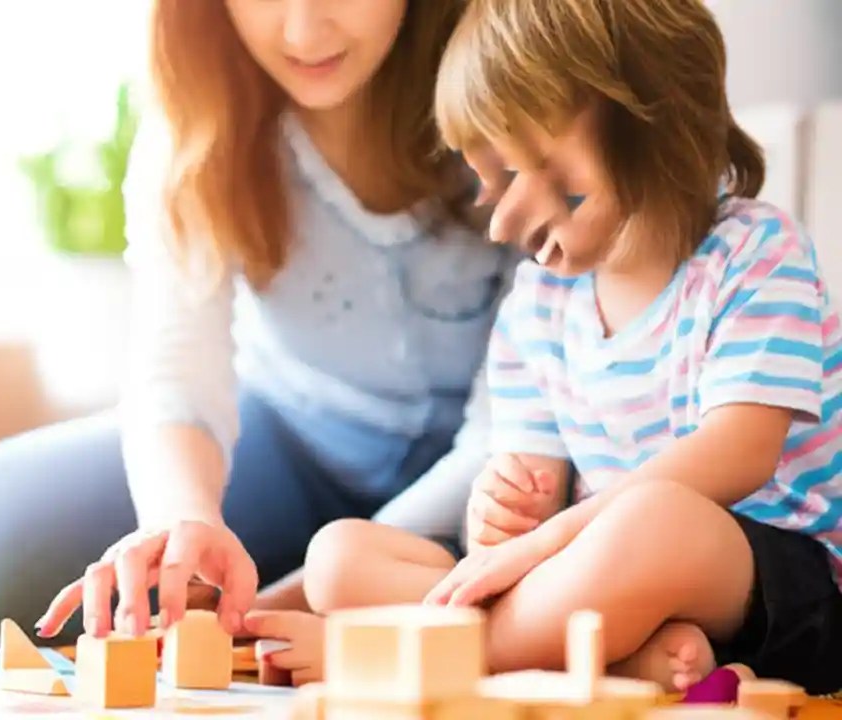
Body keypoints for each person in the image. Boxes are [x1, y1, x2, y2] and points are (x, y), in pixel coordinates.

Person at [0, 0, 517, 651]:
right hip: (292, 443)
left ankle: (390, 584)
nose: (303, 31)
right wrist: (181, 523)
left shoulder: (508, 93)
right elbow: (177, 368)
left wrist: (311, 589)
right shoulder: (197, 124)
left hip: (494, 486)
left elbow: (511, 424)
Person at [300, 0, 842, 697]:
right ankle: (611, 662)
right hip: (600, 585)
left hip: (783, 587)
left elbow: (738, 455)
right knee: (337, 558)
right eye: (485, 182)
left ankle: (442, 655)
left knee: (658, 519)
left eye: (521, 170)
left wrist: (550, 540)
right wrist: (502, 515)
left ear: (645, 117)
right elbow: (527, 499)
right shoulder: (537, 307)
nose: (500, 221)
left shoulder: (756, 253)